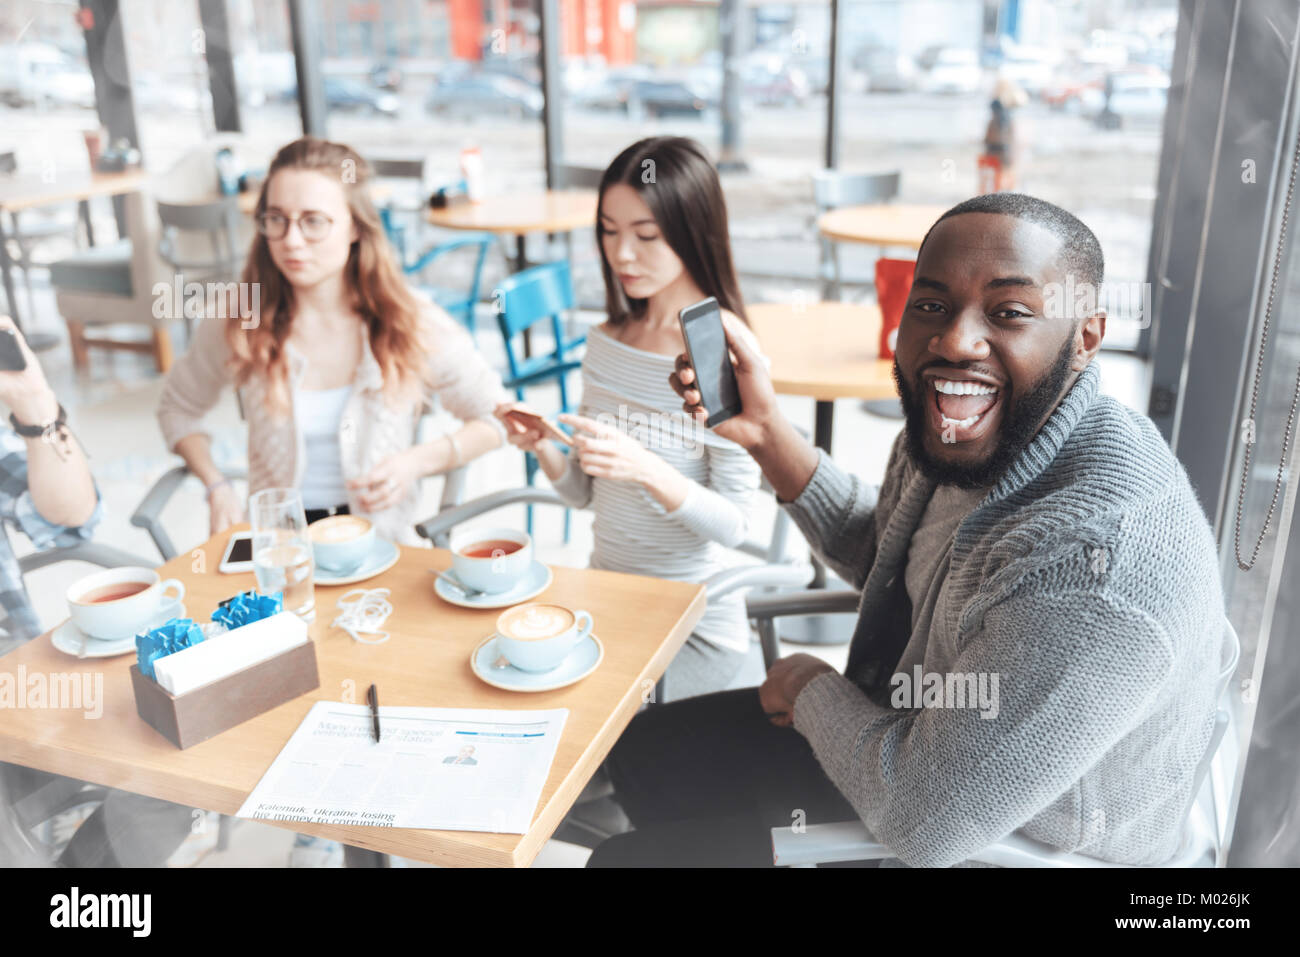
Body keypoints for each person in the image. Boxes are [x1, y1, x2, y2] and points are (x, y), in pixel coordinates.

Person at [587, 193, 1226, 867]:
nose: (955, 341)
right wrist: (768, 433)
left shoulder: (1093, 571)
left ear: (1085, 338)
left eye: (1009, 311)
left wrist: (809, 689)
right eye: (932, 305)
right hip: (910, 736)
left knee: (625, 861)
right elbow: (890, 553)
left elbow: (927, 823)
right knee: (642, 754)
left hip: (998, 841)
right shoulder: (963, 430)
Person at [496, 136, 765, 701]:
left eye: (646, 236)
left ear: (693, 232)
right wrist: (544, 445)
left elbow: (738, 527)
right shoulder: (607, 340)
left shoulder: (718, 354)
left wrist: (646, 468)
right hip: (607, 604)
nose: (621, 255)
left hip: (691, 629)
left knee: (577, 716)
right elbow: (583, 494)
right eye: (608, 231)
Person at [157, 136, 509, 542]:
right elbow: (177, 409)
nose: (291, 240)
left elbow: (497, 417)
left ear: (355, 226)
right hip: (280, 549)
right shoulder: (238, 316)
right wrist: (216, 485)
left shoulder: (408, 319)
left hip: (382, 548)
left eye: (313, 221)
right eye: (276, 219)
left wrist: (415, 462)